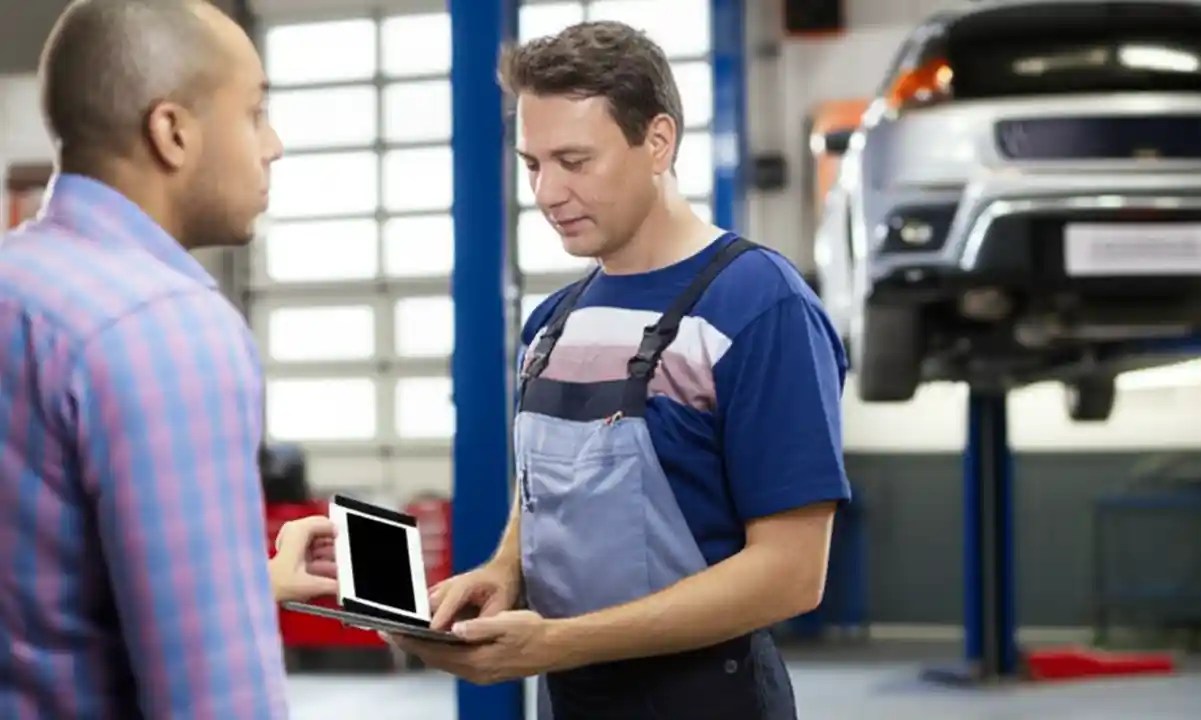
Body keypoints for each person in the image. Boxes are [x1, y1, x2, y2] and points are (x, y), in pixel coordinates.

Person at [388, 20, 853, 720]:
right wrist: (502, 571)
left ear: (657, 141)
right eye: (533, 164)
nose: (547, 193)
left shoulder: (758, 306)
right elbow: (547, 489)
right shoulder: (552, 325)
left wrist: (559, 643)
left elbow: (791, 575)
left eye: (576, 161)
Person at [0, 1, 335, 717]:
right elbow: (216, 701)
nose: (273, 145)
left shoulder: (17, 286)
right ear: (173, 132)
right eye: (254, 114)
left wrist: (238, 583)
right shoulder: (165, 327)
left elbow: (42, 594)